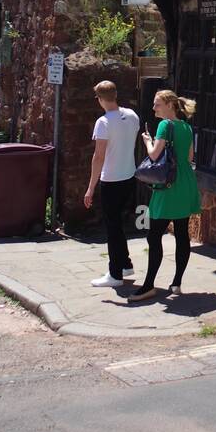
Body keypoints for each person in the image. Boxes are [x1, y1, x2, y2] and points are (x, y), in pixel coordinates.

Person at [128, 90, 201, 302]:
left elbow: (154, 154)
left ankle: (149, 285)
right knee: (181, 232)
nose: (154, 109)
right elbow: (189, 157)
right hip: (185, 182)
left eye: (157, 104)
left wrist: (147, 140)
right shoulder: (186, 127)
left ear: (169, 105)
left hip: (170, 185)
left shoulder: (165, 125)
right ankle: (177, 282)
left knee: (154, 235)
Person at [85, 80, 140, 288]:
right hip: (129, 175)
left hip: (111, 179)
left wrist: (90, 187)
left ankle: (115, 274)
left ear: (99, 99)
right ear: (115, 95)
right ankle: (125, 263)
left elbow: (98, 156)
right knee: (118, 223)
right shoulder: (132, 116)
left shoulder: (104, 122)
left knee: (112, 227)